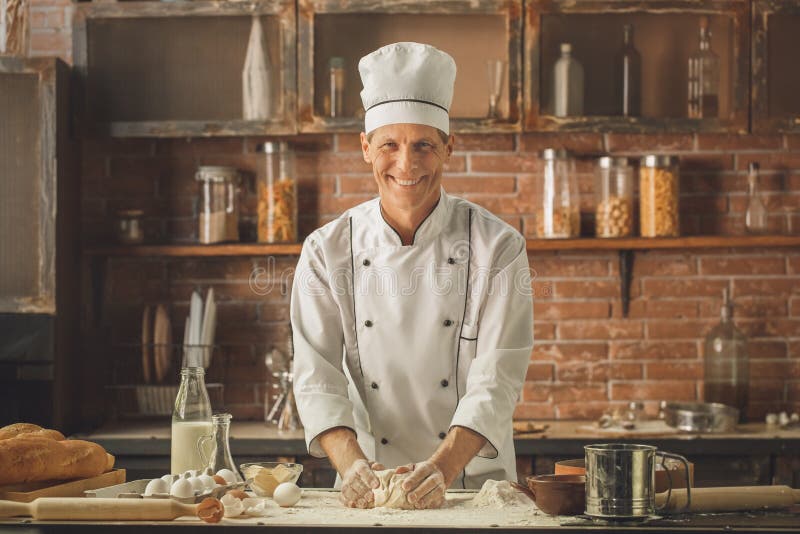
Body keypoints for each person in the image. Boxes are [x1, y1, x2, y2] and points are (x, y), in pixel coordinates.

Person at [290, 42, 533, 510]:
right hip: (369, 485)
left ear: (448, 148)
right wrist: (352, 465)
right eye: (390, 145)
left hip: (473, 490)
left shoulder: (498, 247)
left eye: (423, 144)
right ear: (366, 148)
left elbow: (498, 377)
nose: (406, 164)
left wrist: (441, 468)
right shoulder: (326, 250)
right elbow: (316, 374)